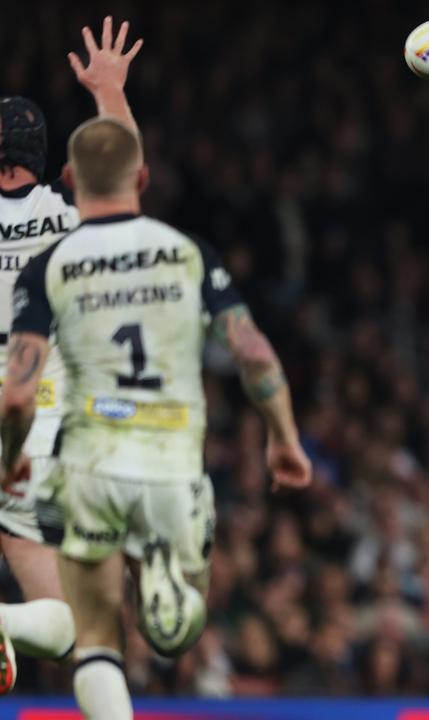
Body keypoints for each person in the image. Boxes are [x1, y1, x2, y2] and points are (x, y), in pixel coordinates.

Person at [0, 116, 311, 719]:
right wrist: (283, 437)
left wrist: (8, 455)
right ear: (141, 177)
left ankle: (17, 619)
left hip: (80, 447)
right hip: (163, 448)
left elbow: (17, 393)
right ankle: (166, 584)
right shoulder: (185, 250)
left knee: (93, 640)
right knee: (178, 633)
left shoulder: (55, 266)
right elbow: (252, 351)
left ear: (72, 180)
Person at [0, 17, 142, 692]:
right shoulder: (65, 215)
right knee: (75, 628)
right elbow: (125, 172)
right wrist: (109, 90)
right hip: (35, 433)